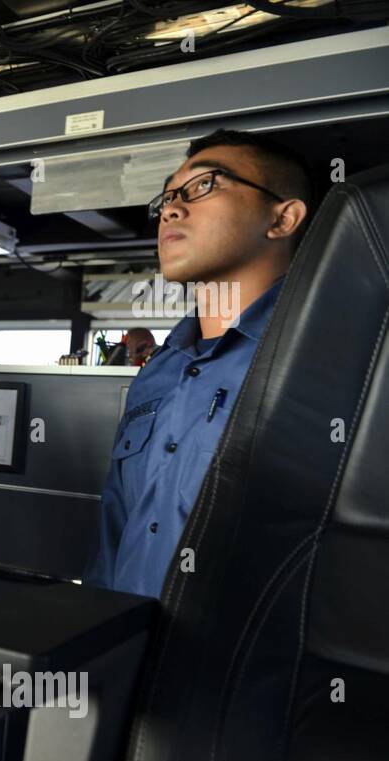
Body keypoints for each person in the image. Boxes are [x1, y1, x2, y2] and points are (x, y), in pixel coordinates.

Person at [84, 129, 311, 598]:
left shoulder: (325, 360)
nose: (171, 208)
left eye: (205, 185)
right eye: (167, 196)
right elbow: (115, 533)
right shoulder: (158, 373)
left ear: (282, 218)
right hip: (131, 653)